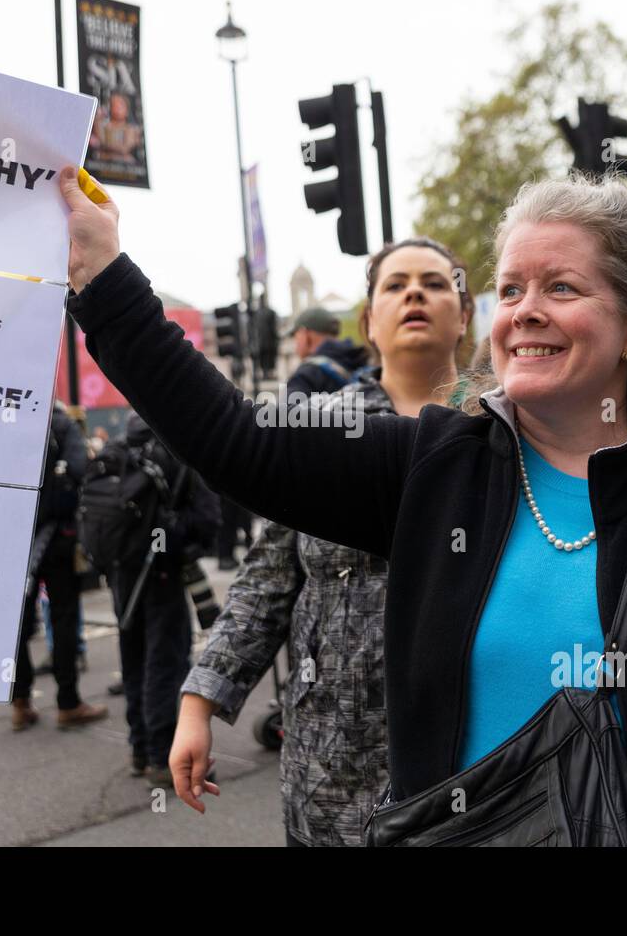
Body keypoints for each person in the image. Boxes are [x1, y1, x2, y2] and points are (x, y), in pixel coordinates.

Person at [59, 166, 627, 845]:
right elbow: (238, 440)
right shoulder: (434, 466)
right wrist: (104, 276)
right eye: (510, 288)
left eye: (561, 286)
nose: (525, 311)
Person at [171, 238, 471, 846]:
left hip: (470, 768)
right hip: (331, 776)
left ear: (464, 317)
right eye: (396, 284)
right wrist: (199, 703)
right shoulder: (320, 431)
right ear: (369, 322)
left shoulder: (506, 431)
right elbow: (266, 580)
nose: (415, 292)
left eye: (436, 283)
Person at [107, 414, 220, 787]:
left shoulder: (117, 451)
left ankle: (139, 747)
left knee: (134, 657)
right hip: (164, 572)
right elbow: (207, 521)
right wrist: (181, 542)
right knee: (165, 662)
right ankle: (161, 754)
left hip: (123, 572)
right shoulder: (175, 452)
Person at [11, 403, 108, 731]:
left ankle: (20, 701)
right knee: (63, 616)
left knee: (16, 624)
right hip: (57, 535)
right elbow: (81, 468)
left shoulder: (4, 416)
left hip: (14, 536)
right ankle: (68, 702)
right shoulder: (60, 423)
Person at [284, 306, 371, 396]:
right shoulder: (363, 359)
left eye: (295, 336)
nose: (295, 343)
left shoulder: (306, 376)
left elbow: (285, 409)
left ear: (305, 334)